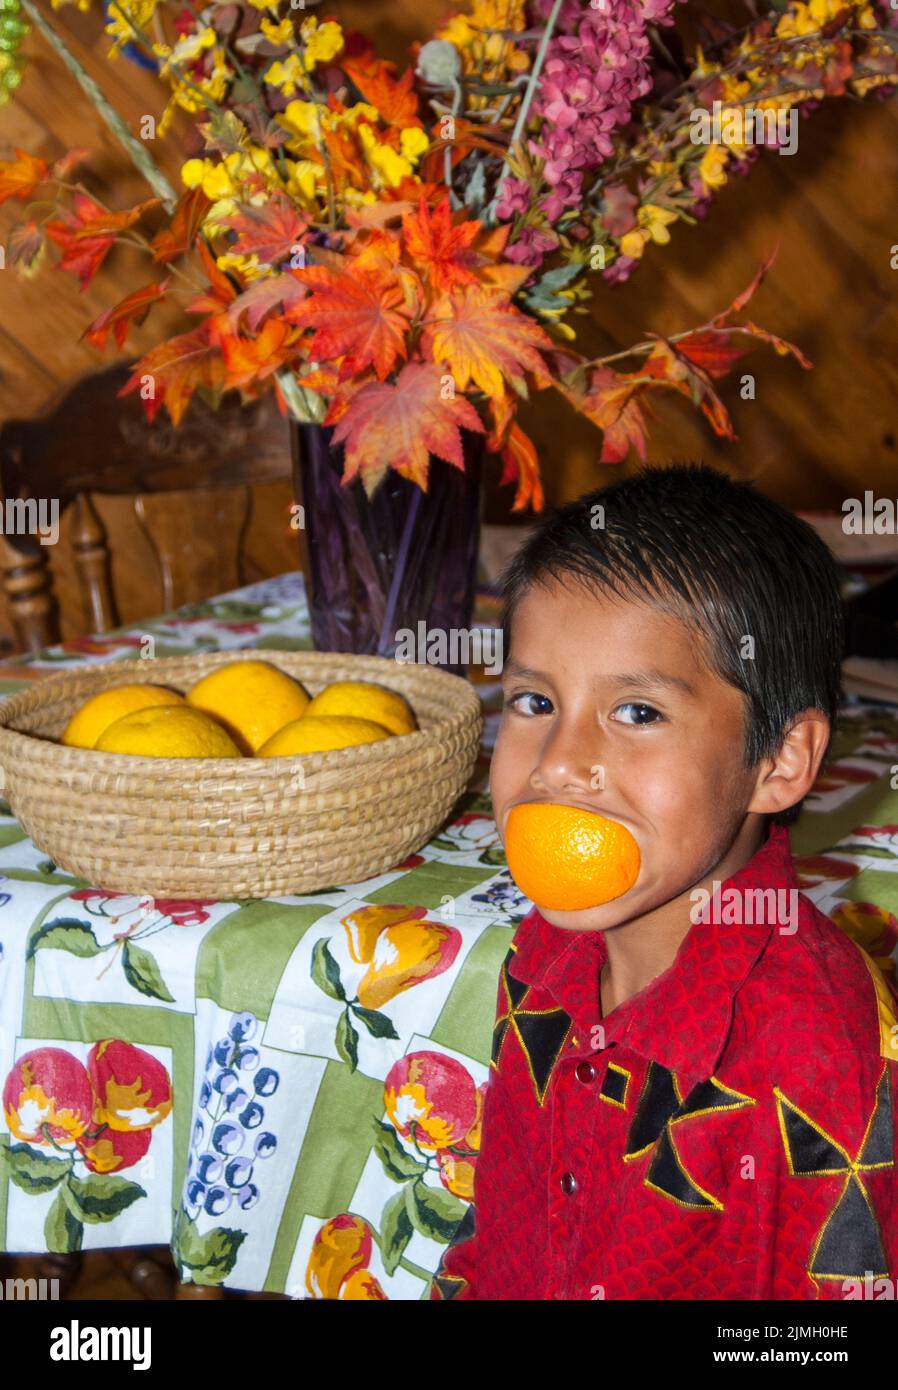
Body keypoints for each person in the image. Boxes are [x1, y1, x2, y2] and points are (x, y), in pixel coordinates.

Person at [430, 463, 898, 1301]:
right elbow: (497, 1234)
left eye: (637, 713)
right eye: (535, 702)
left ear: (779, 762)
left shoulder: (825, 1062)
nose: (561, 763)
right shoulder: (542, 950)